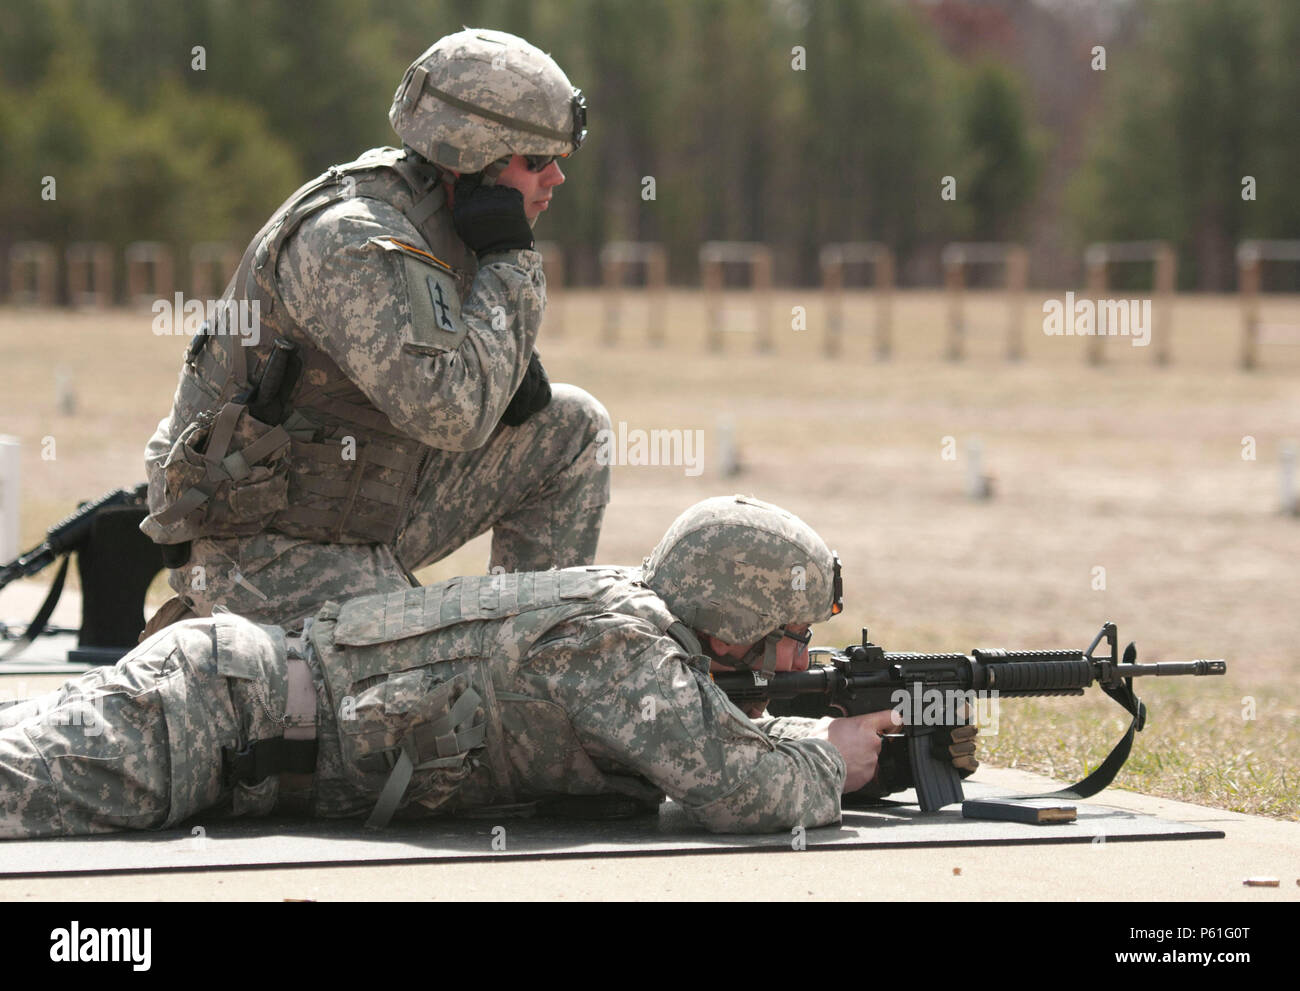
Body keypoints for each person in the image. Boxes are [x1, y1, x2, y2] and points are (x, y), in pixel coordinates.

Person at [0, 496, 977, 839]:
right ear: (737, 616)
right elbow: (733, 787)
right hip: (215, 717)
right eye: (793, 630)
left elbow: (691, 748)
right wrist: (831, 757)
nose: (804, 655)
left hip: (236, 726)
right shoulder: (623, 648)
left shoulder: (634, 623)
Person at [139, 28, 609, 631]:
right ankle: (221, 626)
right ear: (476, 159)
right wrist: (512, 266)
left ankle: (534, 644)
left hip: (361, 507)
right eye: (537, 161)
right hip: (259, 538)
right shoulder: (354, 239)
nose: (556, 180)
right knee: (434, 682)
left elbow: (491, 397)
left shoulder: (449, 223)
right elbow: (455, 415)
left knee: (570, 427)